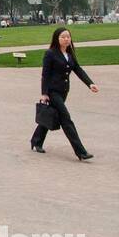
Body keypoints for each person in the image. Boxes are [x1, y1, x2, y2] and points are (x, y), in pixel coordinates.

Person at [31, 26, 99, 160]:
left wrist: (90, 83)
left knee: (51, 114)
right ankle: (81, 152)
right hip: (52, 92)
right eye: (63, 37)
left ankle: (36, 140)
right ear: (57, 39)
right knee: (66, 120)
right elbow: (45, 75)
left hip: (63, 92)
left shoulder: (69, 54)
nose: (66, 39)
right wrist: (44, 93)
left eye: (68, 37)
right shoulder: (50, 53)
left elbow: (78, 69)